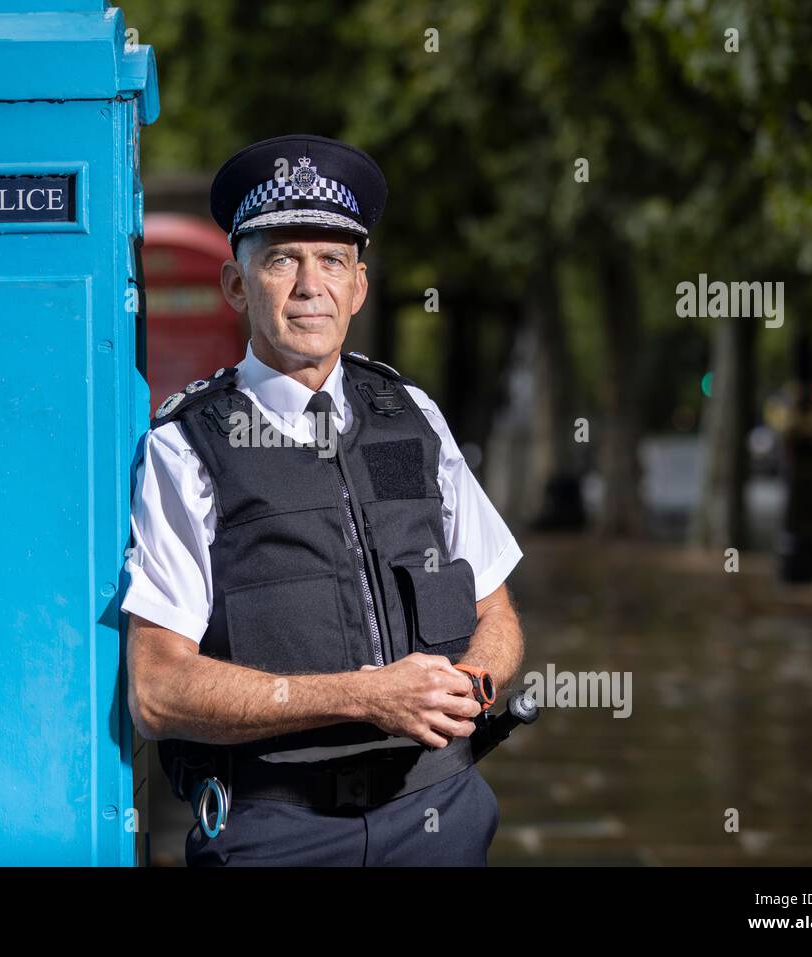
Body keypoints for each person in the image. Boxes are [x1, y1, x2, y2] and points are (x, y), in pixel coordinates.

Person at [122, 133, 525, 866]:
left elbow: (496, 610)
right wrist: (366, 696)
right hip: (280, 833)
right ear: (237, 286)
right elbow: (157, 689)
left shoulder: (415, 416)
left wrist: (471, 683)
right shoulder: (185, 449)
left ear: (359, 286)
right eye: (282, 259)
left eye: (333, 260)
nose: (311, 285)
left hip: (440, 815)